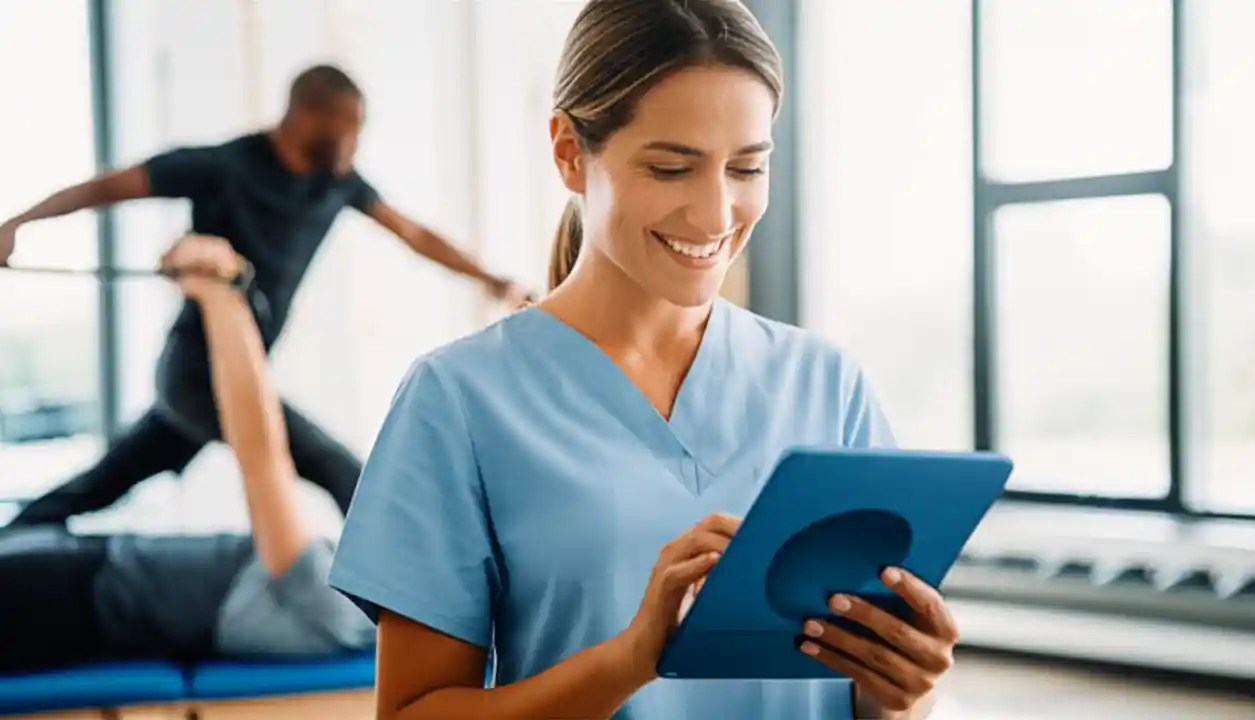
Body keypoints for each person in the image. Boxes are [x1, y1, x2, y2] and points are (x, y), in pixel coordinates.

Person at [327, 1, 957, 719]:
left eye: (747, 167)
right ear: (570, 152)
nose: (715, 214)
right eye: (671, 168)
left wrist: (901, 692)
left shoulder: (826, 386)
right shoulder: (459, 401)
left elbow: (865, 699)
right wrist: (631, 660)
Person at [1, 65, 531, 527]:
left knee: (96, 487)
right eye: (345, 129)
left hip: (232, 377)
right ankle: (397, 603)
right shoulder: (225, 166)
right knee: (343, 472)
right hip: (197, 375)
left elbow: (416, 235)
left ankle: (13, 542)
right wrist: (17, 223)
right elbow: (108, 187)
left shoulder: (338, 183)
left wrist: (494, 280)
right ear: (304, 115)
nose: (353, 144)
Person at [0, 234, 372, 674]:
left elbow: (262, 460)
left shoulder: (336, 610)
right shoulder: (358, 593)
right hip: (91, 563)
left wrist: (223, 296)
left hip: (78, 596)